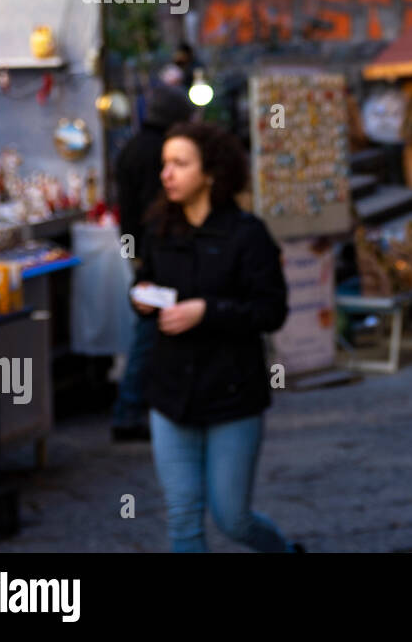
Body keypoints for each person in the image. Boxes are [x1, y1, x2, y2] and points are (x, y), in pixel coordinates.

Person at [130, 121, 299, 552]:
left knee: (233, 518)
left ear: (211, 172)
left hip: (232, 395)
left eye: (180, 164)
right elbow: (147, 281)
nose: (167, 173)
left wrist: (208, 310)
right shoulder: (158, 230)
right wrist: (142, 299)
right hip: (170, 395)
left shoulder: (247, 233)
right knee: (183, 517)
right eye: (165, 164)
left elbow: (271, 310)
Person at [110, 85, 192, 443]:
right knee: (148, 332)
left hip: (140, 248)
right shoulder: (161, 152)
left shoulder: (130, 148)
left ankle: (138, 407)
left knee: (151, 326)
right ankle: (128, 411)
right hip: (156, 250)